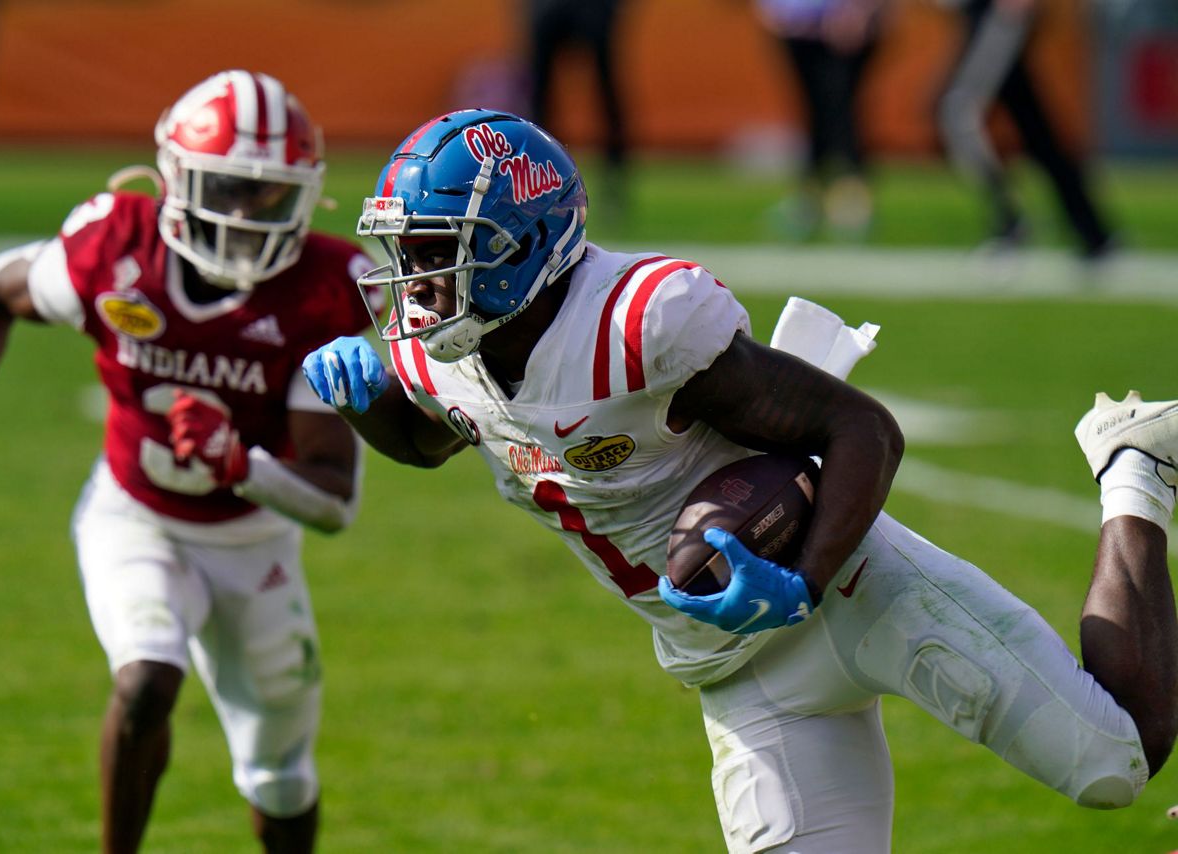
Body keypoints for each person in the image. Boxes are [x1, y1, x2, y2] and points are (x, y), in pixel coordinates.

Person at [300, 109, 1178, 852]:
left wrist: (799, 584)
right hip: (732, 671)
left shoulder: (640, 322)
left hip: (852, 591)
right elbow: (433, 438)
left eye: (437, 248)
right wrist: (370, 404)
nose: (414, 281)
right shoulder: (432, 346)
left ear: (524, 245)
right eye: (407, 249)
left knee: (1118, 760)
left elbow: (861, 427)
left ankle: (1133, 464)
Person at [0, 70, 379, 853]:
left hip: (253, 542)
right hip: (135, 517)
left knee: (279, 775)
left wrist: (244, 465)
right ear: (179, 180)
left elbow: (335, 499)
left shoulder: (326, 293)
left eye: (269, 194)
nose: (246, 213)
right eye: (229, 187)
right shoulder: (113, 248)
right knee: (145, 680)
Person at [936, 0, 1115, 260]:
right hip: (984, 16)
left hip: (999, 15)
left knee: (958, 110)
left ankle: (1009, 219)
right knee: (1037, 133)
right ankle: (1094, 234)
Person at [756, 0, 885, 241]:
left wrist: (860, 8)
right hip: (795, 22)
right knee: (812, 116)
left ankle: (851, 199)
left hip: (847, 20)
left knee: (842, 112)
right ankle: (809, 200)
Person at [525, 0, 630, 219]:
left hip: (591, 6)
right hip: (548, 6)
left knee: (607, 95)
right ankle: (536, 183)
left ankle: (615, 184)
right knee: (541, 99)